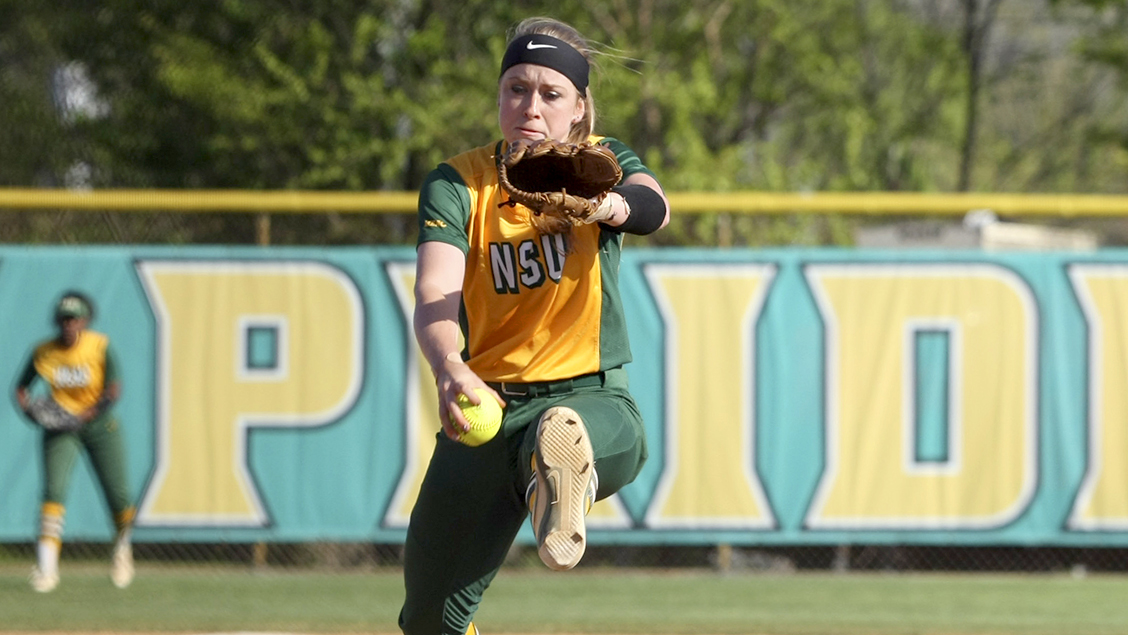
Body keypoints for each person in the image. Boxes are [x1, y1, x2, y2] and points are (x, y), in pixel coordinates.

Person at [401, 16, 670, 635]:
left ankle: (561, 469)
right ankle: (550, 475)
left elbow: (654, 206)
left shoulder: (601, 162)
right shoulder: (458, 183)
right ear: (499, 95)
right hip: (487, 407)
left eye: (551, 93)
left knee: (563, 429)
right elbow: (435, 288)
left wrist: (605, 206)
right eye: (516, 88)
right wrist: (448, 365)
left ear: (579, 109)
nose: (530, 105)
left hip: (590, 401)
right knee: (429, 620)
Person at [14, 290, 135, 593]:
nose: (69, 325)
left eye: (74, 319)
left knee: (119, 496)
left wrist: (88, 414)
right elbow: (21, 389)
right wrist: (32, 413)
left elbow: (113, 390)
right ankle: (46, 569)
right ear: (57, 321)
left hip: (99, 425)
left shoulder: (99, 346)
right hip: (61, 427)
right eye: (64, 319)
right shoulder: (43, 351)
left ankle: (122, 549)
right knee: (54, 491)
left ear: (85, 321)